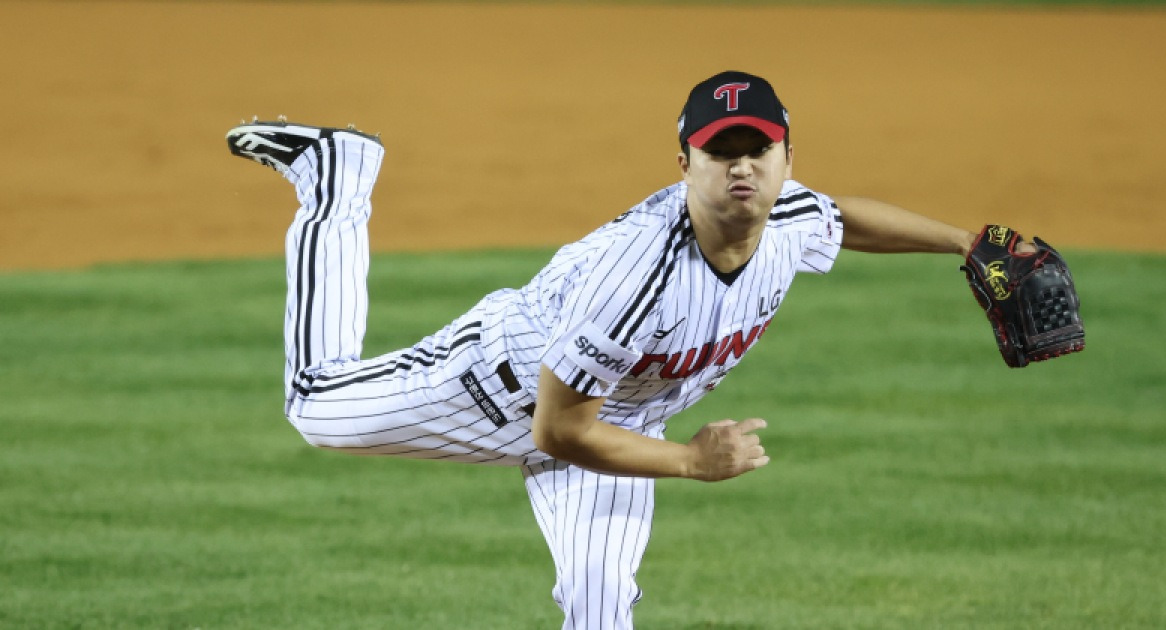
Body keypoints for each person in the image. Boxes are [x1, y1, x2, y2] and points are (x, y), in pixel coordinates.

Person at [225, 70, 1020, 629]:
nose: (742, 166)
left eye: (759, 149)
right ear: (685, 165)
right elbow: (557, 430)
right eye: (720, 151)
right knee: (315, 407)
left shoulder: (788, 216)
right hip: (498, 388)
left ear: (787, 160)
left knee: (602, 606)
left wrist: (963, 242)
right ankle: (338, 175)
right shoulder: (637, 278)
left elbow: (843, 219)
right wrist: (690, 462)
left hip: (614, 419)